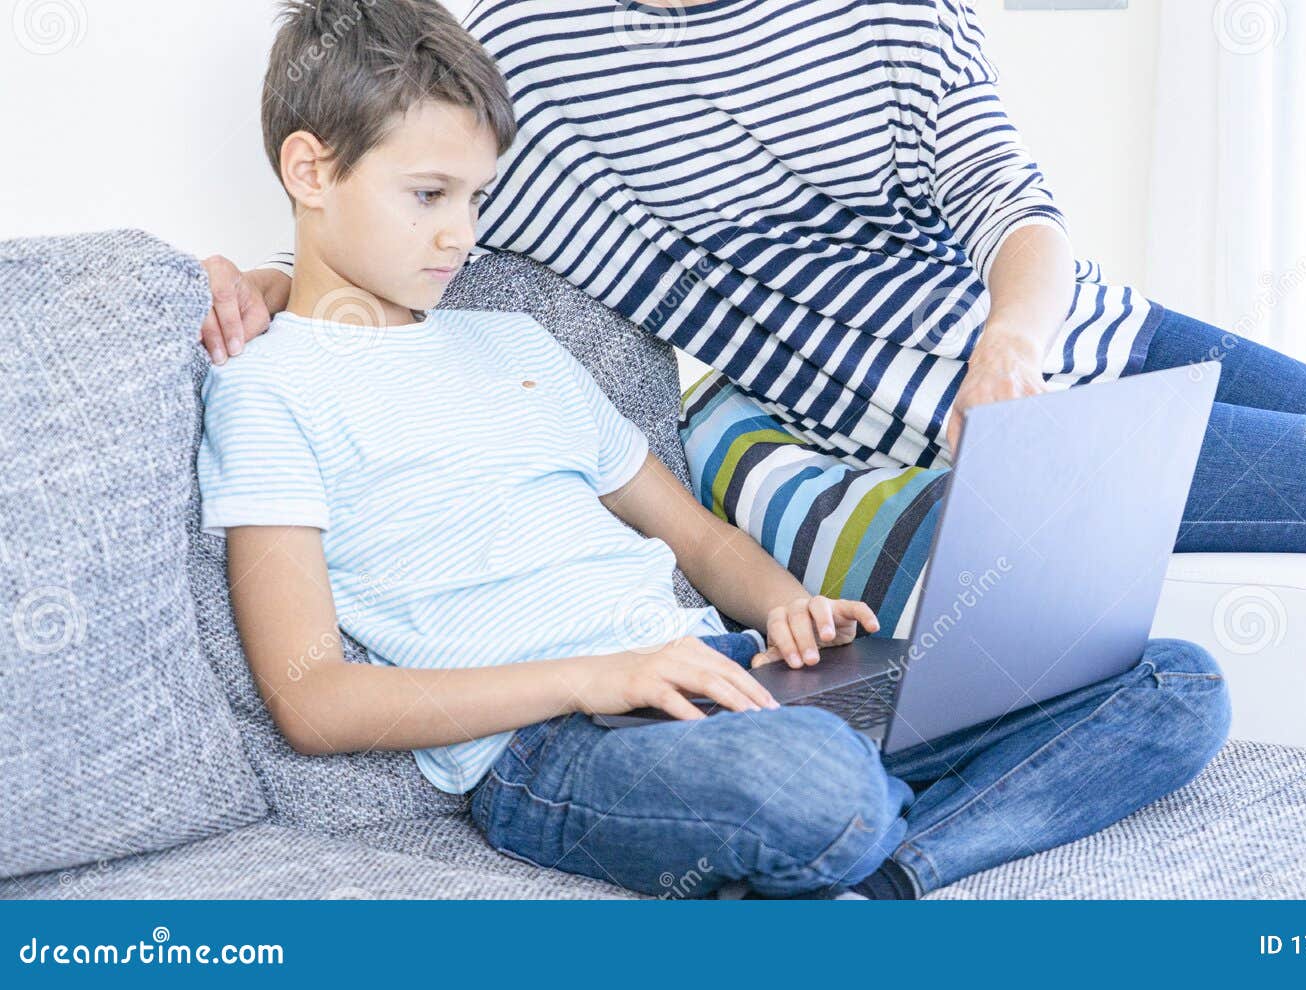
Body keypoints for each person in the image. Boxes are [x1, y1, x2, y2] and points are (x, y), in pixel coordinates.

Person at [202, 0, 1230, 900]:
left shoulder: (516, 344)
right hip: (552, 745)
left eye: (476, 198)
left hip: (716, 669)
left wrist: (785, 604)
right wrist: (593, 676)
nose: (462, 235)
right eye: (429, 195)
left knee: (1173, 686)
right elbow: (312, 698)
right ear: (310, 168)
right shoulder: (269, 387)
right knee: (821, 788)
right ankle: (869, 823)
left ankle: (885, 874)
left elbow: (694, 539)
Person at [204, 0, 1306, 701]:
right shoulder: (534, 53)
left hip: (1067, 331)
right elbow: (418, 198)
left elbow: (1010, 199)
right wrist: (263, 274)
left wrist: (1014, 336)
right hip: (899, 411)